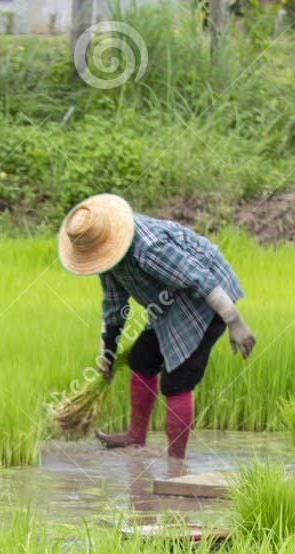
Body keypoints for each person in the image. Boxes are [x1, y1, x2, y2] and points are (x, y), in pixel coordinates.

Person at [57, 194, 255, 457]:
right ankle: (135, 437)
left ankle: (175, 462)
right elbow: (114, 305)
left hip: (207, 299)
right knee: (141, 359)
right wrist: (106, 352)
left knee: (177, 380)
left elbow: (199, 278)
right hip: (169, 301)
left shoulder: (149, 248)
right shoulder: (108, 259)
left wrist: (235, 321)